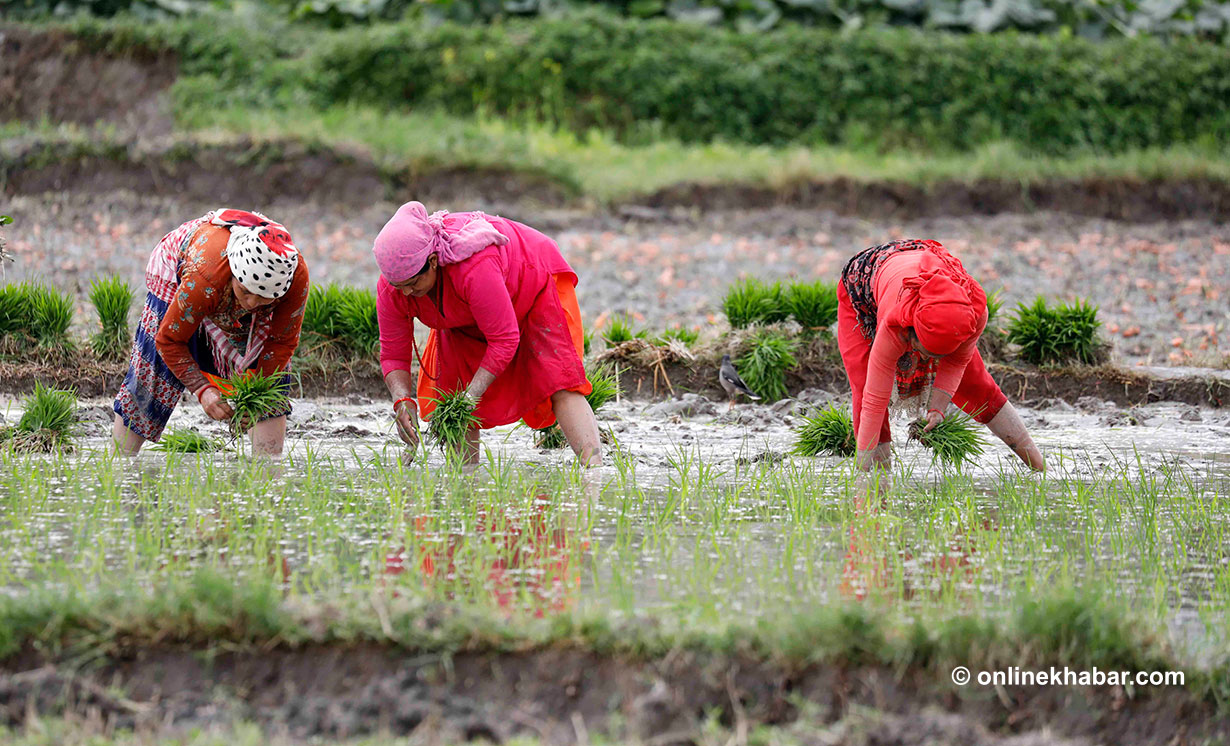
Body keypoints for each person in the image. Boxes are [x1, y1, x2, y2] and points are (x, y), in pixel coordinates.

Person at [373, 202, 601, 465]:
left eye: (413, 283)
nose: (406, 293)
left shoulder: (473, 266)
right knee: (453, 393)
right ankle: (464, 479)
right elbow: (393, 354)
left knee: (558, 378)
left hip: (532, 284)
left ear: (433, 261)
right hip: (465, 315)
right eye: (398, 286)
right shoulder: (394, 288)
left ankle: (593, 472)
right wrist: (402, 400)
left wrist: (471, 397)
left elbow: (504, 339)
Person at [837, 239, 1044, 477]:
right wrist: (861, 471)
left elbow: (956, 362)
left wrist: (937, 409)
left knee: (974, 381)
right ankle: (876, 479)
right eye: (927, 353)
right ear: (910, 333)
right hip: (863, 286)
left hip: (931, 286)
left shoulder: (972, 312)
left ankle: (1040, 467)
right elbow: (874, 400)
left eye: (940, 356)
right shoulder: (895, 322)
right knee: (865, 383)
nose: (931, 361)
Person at [111, 209, 309, 457]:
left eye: (263, 297)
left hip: (221, 286)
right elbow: (169, 340)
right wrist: (202, 390)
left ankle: (268, 466)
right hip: (185, 274)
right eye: (245, 291)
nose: (251, 304)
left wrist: (257, 399)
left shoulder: (294, 277)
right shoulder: (206, 274)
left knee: (271, 383)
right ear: (234, 274)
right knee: (152, 375)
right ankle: (120, 464)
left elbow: (280, 344)